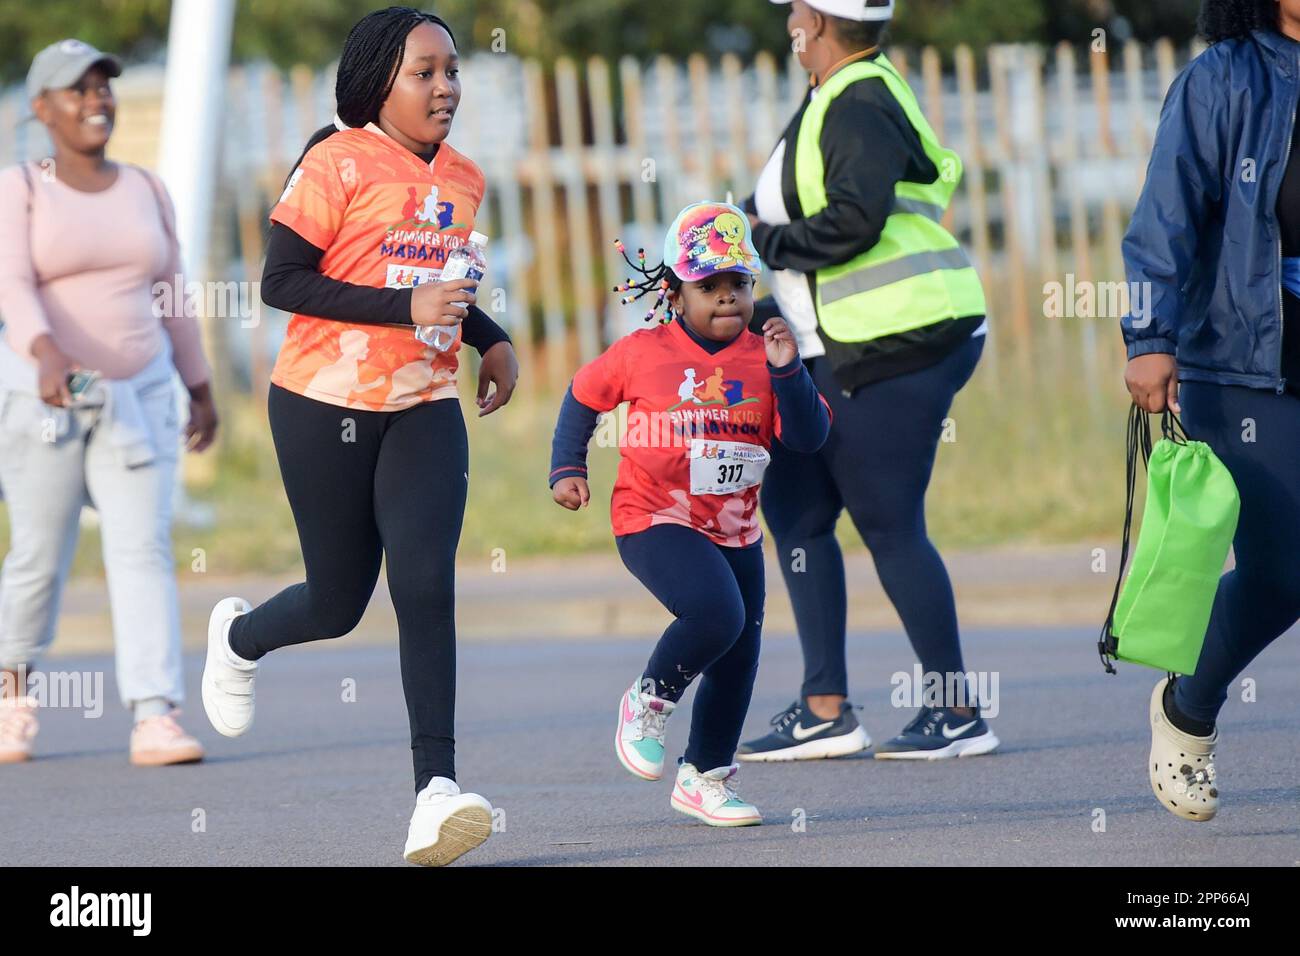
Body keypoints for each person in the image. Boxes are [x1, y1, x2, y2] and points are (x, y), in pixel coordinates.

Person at [199, 7, 519, 865]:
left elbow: (437, 280)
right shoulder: (334, 162)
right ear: (381, 79)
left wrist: (489, 338)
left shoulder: (465, 179)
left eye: (453, 69)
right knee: (339, 603)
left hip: (424, 405)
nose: (446, 85)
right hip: (321, 403)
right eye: (425, 72)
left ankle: (436, 794)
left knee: (423, 582)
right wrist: (405, 308)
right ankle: (238, 638)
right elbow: (282, 280)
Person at [737, 0, 998, 761]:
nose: (787, 19)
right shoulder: (841, 93)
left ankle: (956, 712)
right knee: (798, 513)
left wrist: (758, 238)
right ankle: (825, 708)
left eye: (794, 10)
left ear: (814, 23)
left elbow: (854, 220)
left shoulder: (859, 100)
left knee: (888, 523)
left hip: (896, 344)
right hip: (839, 346)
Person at [549, 202, 830, 826]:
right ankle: (649, 699)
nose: (727, 298)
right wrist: (567, 466)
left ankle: (704, 775)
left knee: (739, 650)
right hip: (653, 517)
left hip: (736, 528)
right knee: (715, 613)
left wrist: (788, 374)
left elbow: (808, 438)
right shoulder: (643, 351)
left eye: (739, 285)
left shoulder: (767, 356)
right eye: (709, 287)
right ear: (674, 293)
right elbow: (582, 396)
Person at [0, 39, 217, 766]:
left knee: (143, 549)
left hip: (138, 393)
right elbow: (13, 286)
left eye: (103, 86)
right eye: (76, 90)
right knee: (38, 555)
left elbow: (173, 293)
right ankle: (11, 696)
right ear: (41, 110)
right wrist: (43, 350)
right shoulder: (21, 188)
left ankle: (156, 715)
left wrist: (199, 385)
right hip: (48, 399)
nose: (96, 99)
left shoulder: (146, 190)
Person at [1121, 0, 1300, 821]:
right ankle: (1187, 708)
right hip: (1246, 356)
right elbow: (1167, 212)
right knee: (1282, 572)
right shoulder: (1223, 78)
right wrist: (1150, 336)